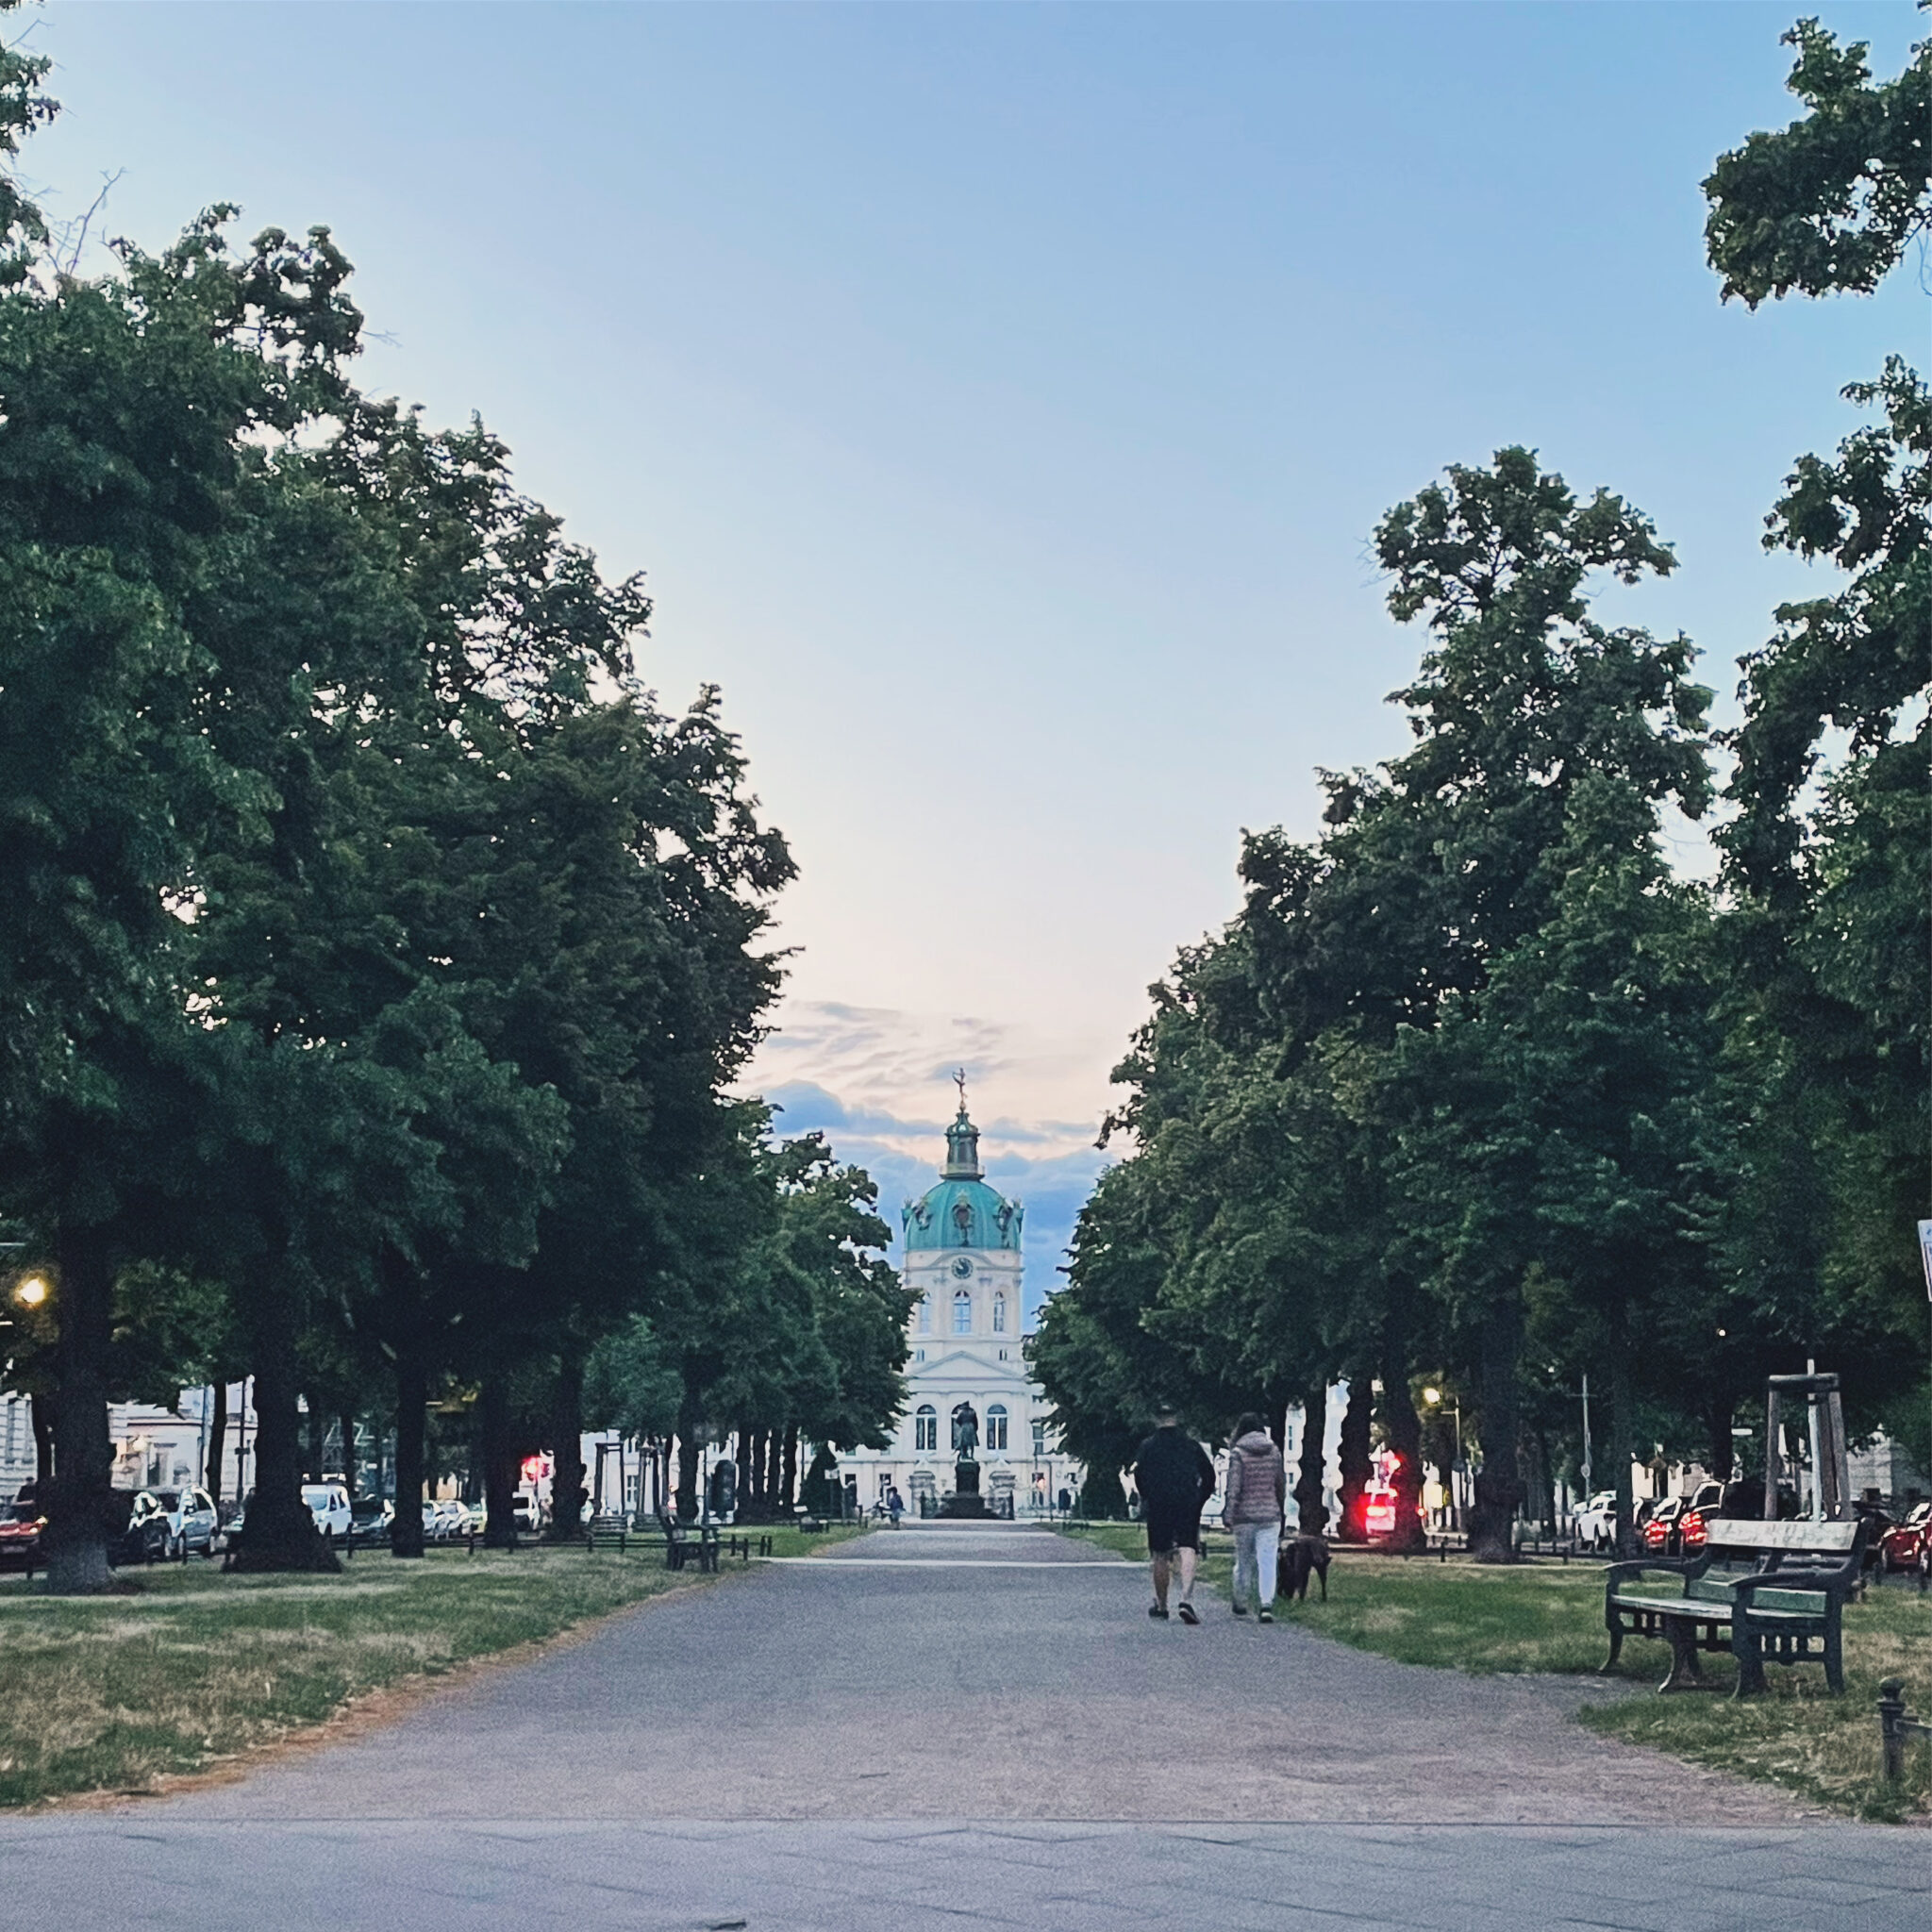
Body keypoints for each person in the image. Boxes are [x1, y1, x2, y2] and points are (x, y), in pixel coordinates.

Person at [1131, 1403, 1217, 1624]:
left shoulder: (1147, 1446)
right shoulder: (1191, 1446)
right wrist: (1200, 1498)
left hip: (1159, 1503)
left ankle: (1161, 1605)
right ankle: (1186, 1599)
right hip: (1187, 1501)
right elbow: (1209, 1476)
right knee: (1188, 1548)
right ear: (1177, 1417)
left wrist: (1147, 1497)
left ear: (1155, 1418)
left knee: (1160, 1554)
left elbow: (1139, 1476)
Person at [1223, 1412, 1287, 1624]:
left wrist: (1229, 1514)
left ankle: (1240, 1600)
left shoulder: (1238, 1453)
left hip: (1245, 1516)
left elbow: (1234, 1487)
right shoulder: (1274, 1451)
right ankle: (1266, 1603)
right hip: (1270, 1514)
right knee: (1267, 1560)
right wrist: (1280, 1507)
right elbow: (1280, 1484)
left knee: (1244, 1561)